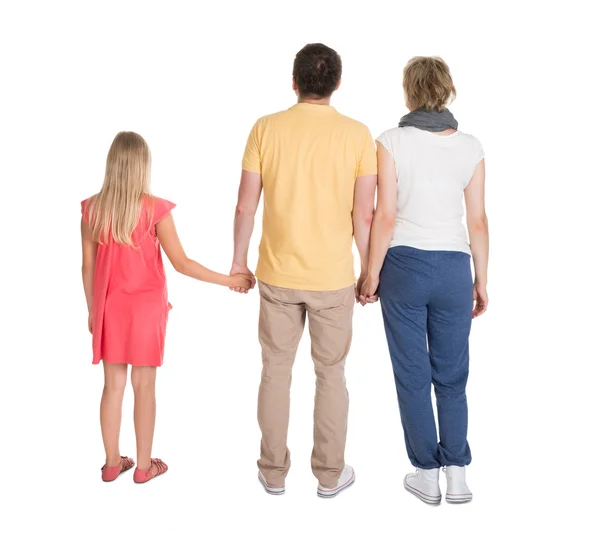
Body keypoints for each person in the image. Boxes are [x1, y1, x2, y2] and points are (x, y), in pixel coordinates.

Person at [231, 43, 377, 498]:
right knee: (331, 374)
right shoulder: (357, 134)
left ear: (294, 82)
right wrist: (371, 271)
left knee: (275, 372)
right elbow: (365, 217)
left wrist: (239, 261)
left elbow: (244, 206)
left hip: (276, 274)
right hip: (333, 278)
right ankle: (330, 476)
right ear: (336, 83)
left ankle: (273, 473)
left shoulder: (265, 128)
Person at [81, 131, 252, 484]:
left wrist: (92, 311)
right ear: (143, 165)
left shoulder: (92, 209)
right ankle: (144, 466)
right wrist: (229, 279)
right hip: (146, 311)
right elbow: (182, 263)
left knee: (112, 386)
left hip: (109, 308)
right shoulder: (154, 209)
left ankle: (112, 463)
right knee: (145, 386)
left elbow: (88, 266)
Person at [360, 56, 489, 505]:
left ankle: (425, 475)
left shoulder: (391, 141)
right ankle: (458, 475)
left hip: (406, 267)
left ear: (410, 91)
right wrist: (482, 279)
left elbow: (386, 214)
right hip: (455, 268)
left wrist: (371, 274)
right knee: (452, 376)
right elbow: (477, 220)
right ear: (447, 88)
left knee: (413, 375)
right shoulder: (471, 146)